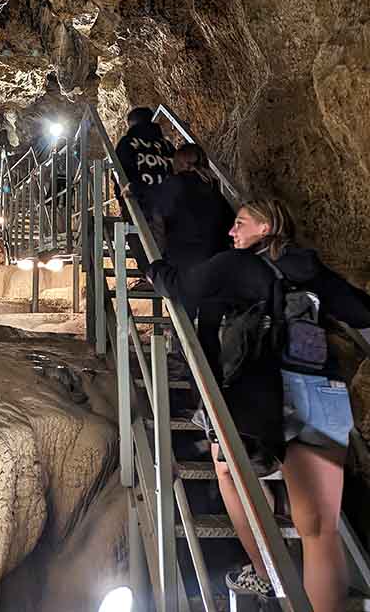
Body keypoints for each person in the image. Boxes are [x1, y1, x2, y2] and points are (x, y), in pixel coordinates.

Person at [148, 198, 370, 612]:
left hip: (264, 395)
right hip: (323, 390)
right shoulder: (310, 268)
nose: (232, 232)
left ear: (266, 228)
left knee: (227, 467)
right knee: (319, 530)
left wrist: (154, 267)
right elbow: (359, 310)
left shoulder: (236, 266)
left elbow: (181, 287)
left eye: (239, 223)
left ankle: (266, 570)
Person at [152, 143, 235, 382]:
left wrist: (158, 257)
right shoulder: (213, 187)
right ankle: (212, 394)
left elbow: (158, 216)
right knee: (209, 333)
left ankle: (186, 384)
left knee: (183, 325)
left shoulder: (174, 184)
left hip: (184, 265)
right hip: (217, 265)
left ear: (177, 162)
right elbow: (229, 222)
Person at [114, 107, 175, 272]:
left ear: (131, 124)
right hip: (169, 200)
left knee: (139, 236)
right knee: (168, 239)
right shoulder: (166, 144)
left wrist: (122, 197)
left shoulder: (127, 143)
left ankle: (150, 274)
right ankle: (169, 274)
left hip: (141, 199)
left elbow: (120, 171)